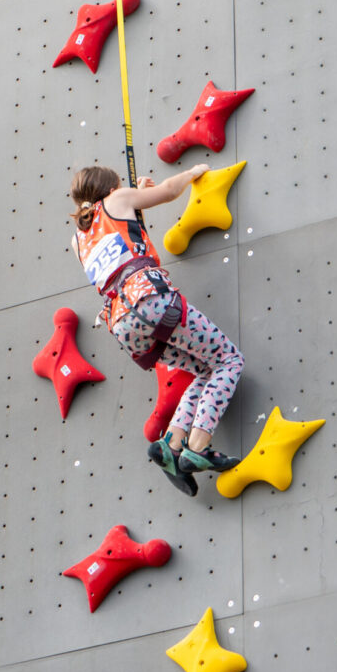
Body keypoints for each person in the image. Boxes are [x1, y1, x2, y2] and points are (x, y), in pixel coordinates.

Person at [69, 164, 244, 496]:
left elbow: (126, 245)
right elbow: (168, 191)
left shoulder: (79, 239)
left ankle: (172, 445)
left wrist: (135, 204)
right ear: (110, 188)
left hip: (122, 323)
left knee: (206, 369)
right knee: (228, 361)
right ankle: (198, 446)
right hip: (150, 299)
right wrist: (193, 172)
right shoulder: (117, 199)